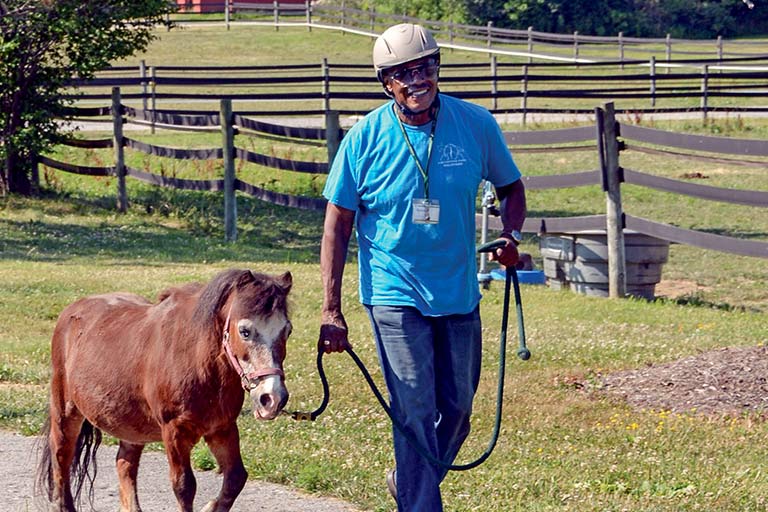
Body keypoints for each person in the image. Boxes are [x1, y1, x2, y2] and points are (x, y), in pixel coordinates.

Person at [317, 23, 526, 512]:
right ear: (386, 82)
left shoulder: (475, 125)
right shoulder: (365, 139)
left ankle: (408, 481)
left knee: (457, 412)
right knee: (414, 409)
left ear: (437, 69)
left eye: (425, 67)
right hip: (393, 293)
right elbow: (336, 228)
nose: (417, 80)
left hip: (457, 291)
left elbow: (511, 188)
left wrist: (510, 234)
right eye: (403, 73)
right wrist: (332, 308)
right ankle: (420, 504)